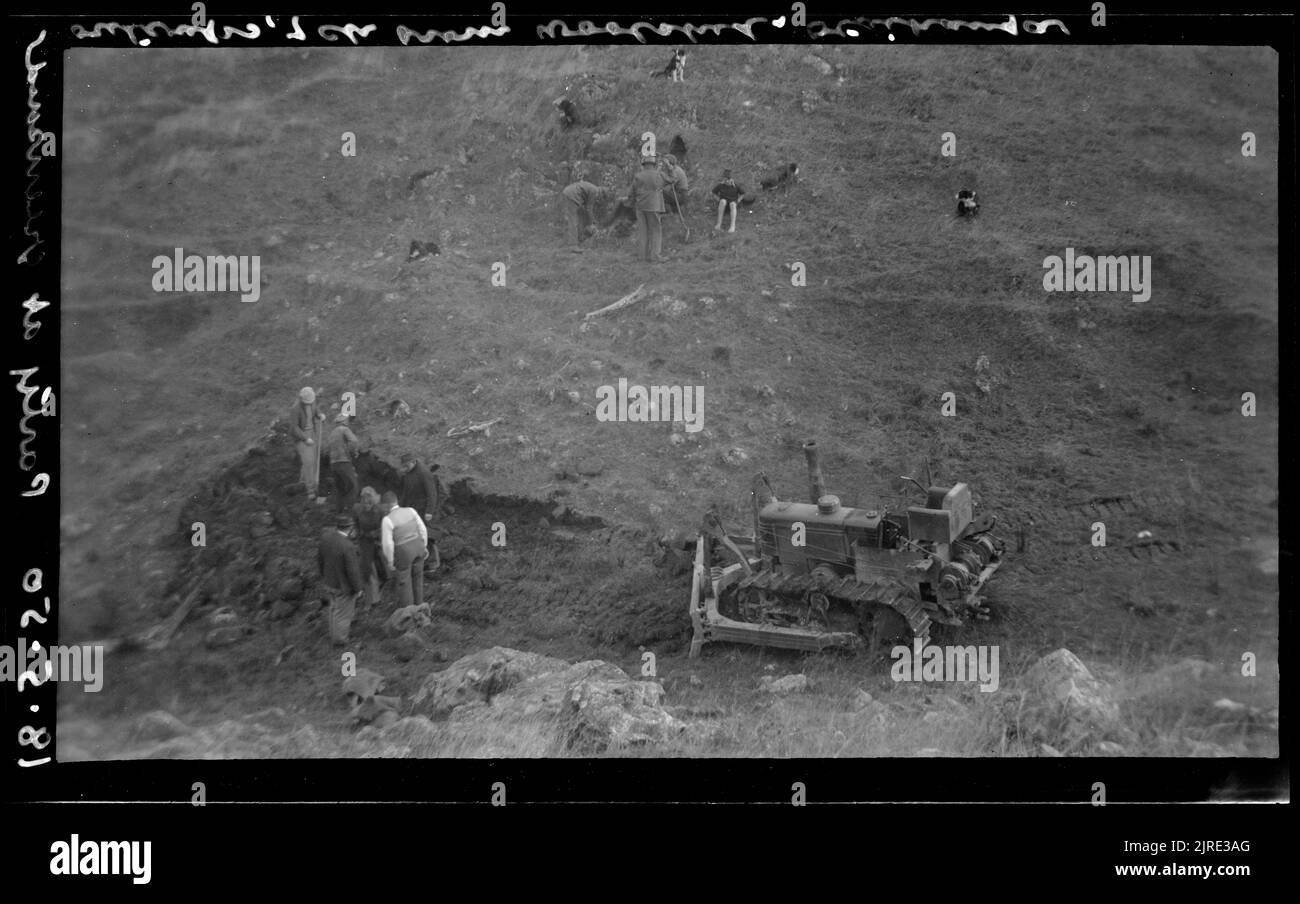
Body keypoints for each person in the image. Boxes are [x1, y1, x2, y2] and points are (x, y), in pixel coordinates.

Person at [318, 513, 364, 646]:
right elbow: (353, 571)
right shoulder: (348, 546)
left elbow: (320, 560)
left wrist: (324, 576)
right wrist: (358, 588)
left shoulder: (326, 538)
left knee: (333, 610)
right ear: (350, 528)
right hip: (343, 587)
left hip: (329, 582)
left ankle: (334, 636)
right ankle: (340, 641)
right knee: (343, 615)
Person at [381, 490, 428, 608]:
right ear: (396, 501)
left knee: (405, 584)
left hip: (403, 554)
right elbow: (423, 529)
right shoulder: (411, 510)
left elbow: (387, 544)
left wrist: (391, 561)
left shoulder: (387, 520)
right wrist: (424, 546)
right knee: (418, 579)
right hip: (418, 548)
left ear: (386, 505)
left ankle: (409, 614)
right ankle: (420, 609)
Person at [399, 452, 444, 570]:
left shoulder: (424, 473)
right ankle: (422, 559)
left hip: (422, 510)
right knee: (417, 535)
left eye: (406, 466)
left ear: (413, 462)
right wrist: (400, 507)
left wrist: (429, 511)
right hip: (412, 509)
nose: (404, 468)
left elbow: (432, 493)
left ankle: (433, 562)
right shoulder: (409, 473)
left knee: (427, 535)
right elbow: (405, 492)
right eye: (403, 466)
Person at [352, 486, 389, 608]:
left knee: (382, 566)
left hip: (378, 541)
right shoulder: (357, 509)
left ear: (373, 501)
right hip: (365, 542)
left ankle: (386, 583)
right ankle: (374, 599)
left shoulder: (380, 511)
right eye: (364, 502)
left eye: (369, 502)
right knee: (368, 569)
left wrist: (376, 534)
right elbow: (355, 523)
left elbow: (385, 527)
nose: (366, 505)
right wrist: (359, 535)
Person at [289, 386, 327, 499]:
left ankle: (303, 481)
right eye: (307, 402)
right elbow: (294, 428)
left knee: (313, 460)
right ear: (301, 399)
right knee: (309, 462)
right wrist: (305, 438)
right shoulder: (295, 409)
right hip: (301, 436)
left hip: (312, 433)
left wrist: (320, 415)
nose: (310, 403)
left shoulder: (312, 400)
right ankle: (310, 490)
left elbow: (315, 409)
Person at [629, 155, 668, 262]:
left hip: (640, 206)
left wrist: (632, 201)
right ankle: (655, 257)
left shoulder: (638, 176)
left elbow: (631, 192)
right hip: (654, 206)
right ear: (654, 165)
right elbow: (672, 179)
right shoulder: (659, 174)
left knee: (643, 231)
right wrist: (669, 167)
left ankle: (642, 256)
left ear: (644, 165)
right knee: (656, 231)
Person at [326, 413, 361, 513]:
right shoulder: (344, 429)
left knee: (340, 489)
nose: (348, 422)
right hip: (344, 462)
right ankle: (350, 512)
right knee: (353, 487)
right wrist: (354, 453)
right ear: (344, 421)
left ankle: (340, 512)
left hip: (334, 464)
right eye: (348, 420)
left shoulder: (332, 433)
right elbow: (354, 441)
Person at [561, 180, 606, 245]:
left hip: (568, 192)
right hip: (572, 196)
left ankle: (567, 241)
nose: (599, 199)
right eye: (601, 197)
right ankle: (573, 245)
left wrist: (591, 220)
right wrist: (591, 222)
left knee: (572, 219)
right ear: (601, 193)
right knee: (573, 221)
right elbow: (589, 208)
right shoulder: (594, 191)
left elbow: (586, 207)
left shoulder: (592, 188)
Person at [712, 169, 746, 233]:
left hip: (732, 205)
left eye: (728, 179)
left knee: (732, 204)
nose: (726, 181)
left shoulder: (736, 186)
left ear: (731, 179)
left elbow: (743, 194)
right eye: (725, 179)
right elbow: (713, 192)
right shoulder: (721, 185)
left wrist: (738, 201)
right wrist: (718, 199)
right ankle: (718, 224)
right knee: (722, 201)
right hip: (723, 205)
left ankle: (732, 226)